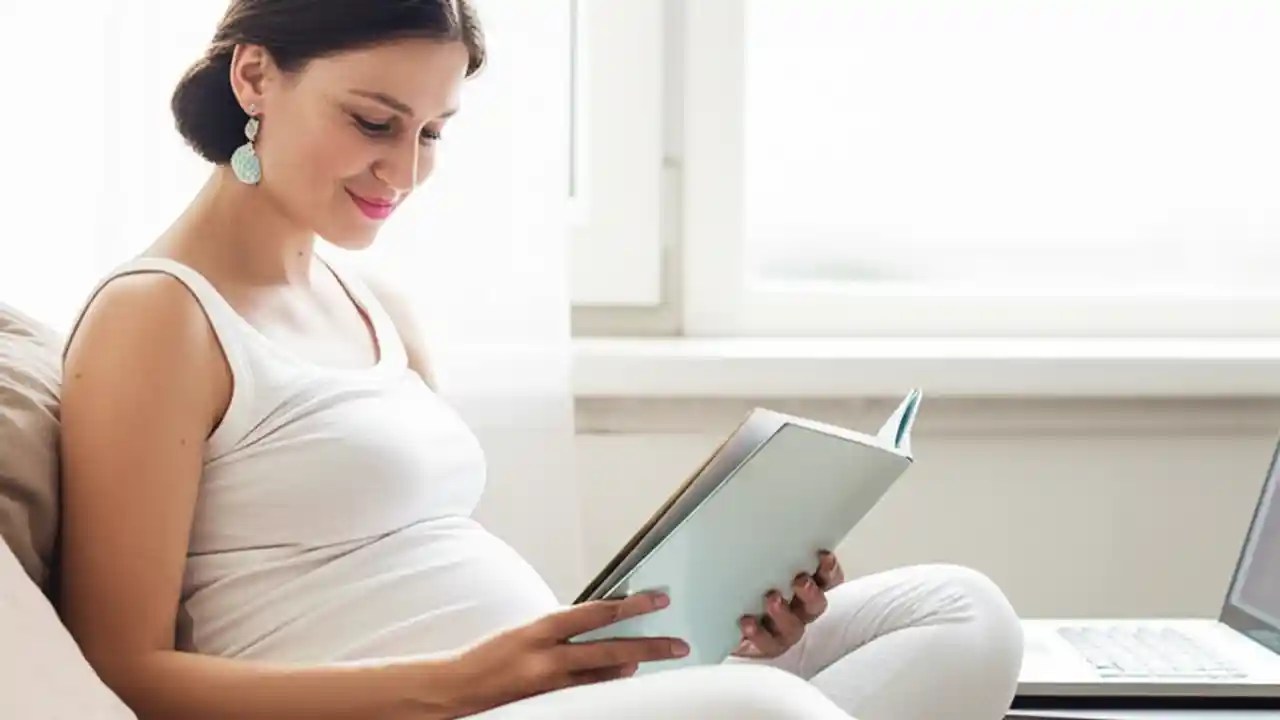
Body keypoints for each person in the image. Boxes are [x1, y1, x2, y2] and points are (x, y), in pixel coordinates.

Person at [57, 1, 1025, 718]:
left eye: (431, 133)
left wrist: (716, 615)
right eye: (373, 120)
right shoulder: (159, 317)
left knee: (956, 611)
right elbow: (118, 669)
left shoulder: (373, 304)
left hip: (521, 692)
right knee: (770, 714)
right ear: (256, 78)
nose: (404, 171)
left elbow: (422, 570)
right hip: (433, 706)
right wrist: (461, 681)